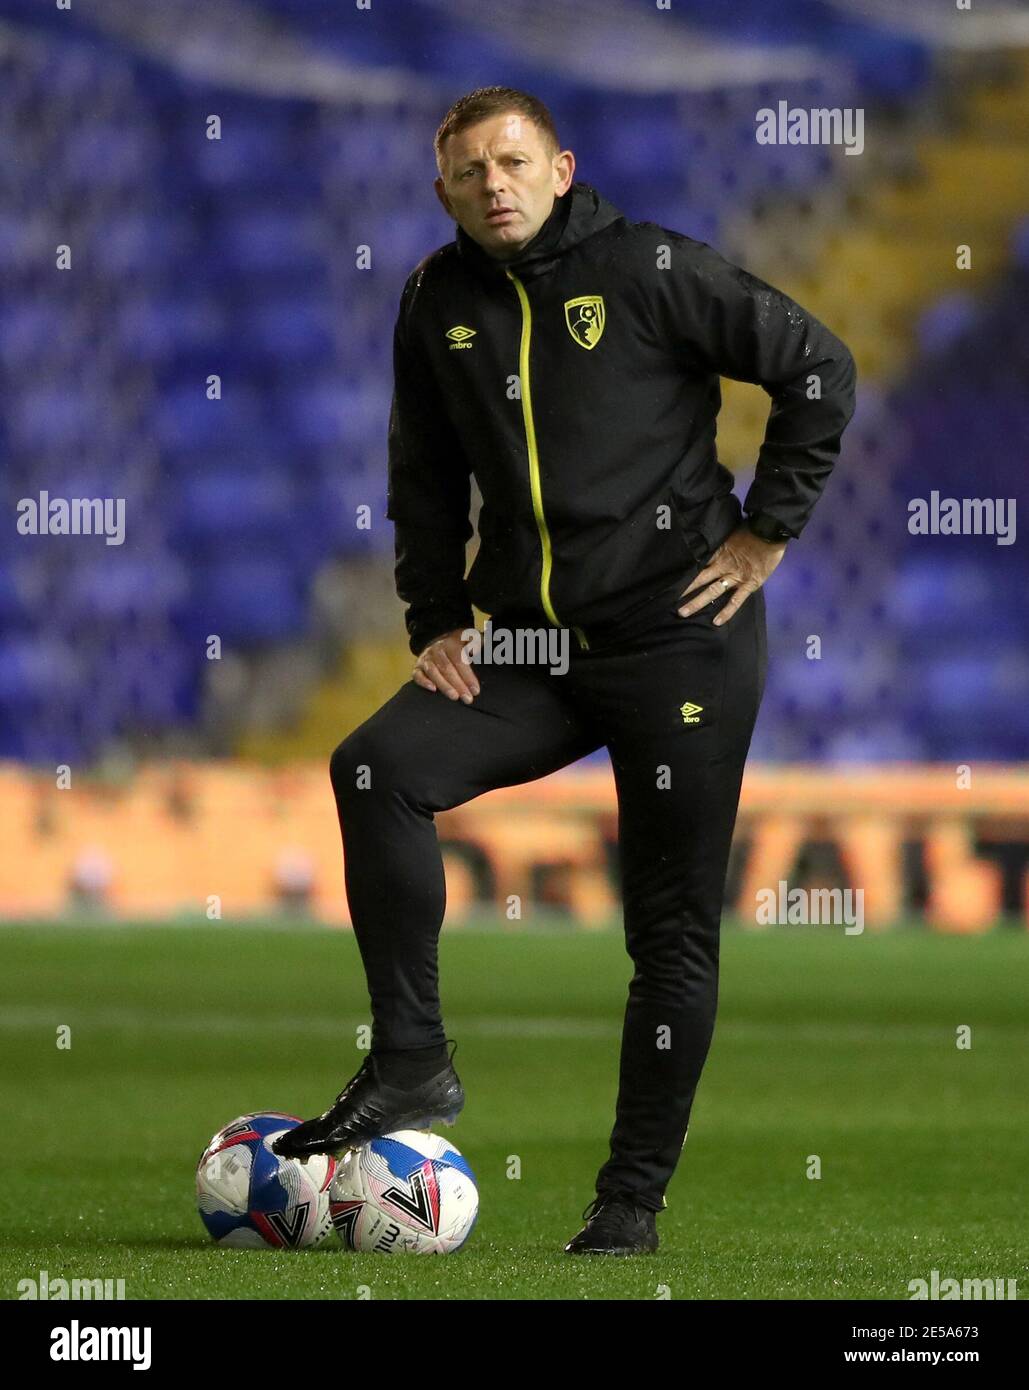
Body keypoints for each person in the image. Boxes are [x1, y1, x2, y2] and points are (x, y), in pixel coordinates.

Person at [274, 85, 857, 1255]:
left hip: (678, 641)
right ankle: (411, 1063)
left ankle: (627, 1207)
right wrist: (434, 611)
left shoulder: (651, 270)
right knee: (378, 769)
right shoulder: (435, 298)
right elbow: (424, 468)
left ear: (559, 168)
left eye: (512, 161)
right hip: (534, 650)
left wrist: (764, 532)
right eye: (469, 169)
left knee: (669, 936)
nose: (493, 183)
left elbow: (820, 369)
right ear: (442, 189)